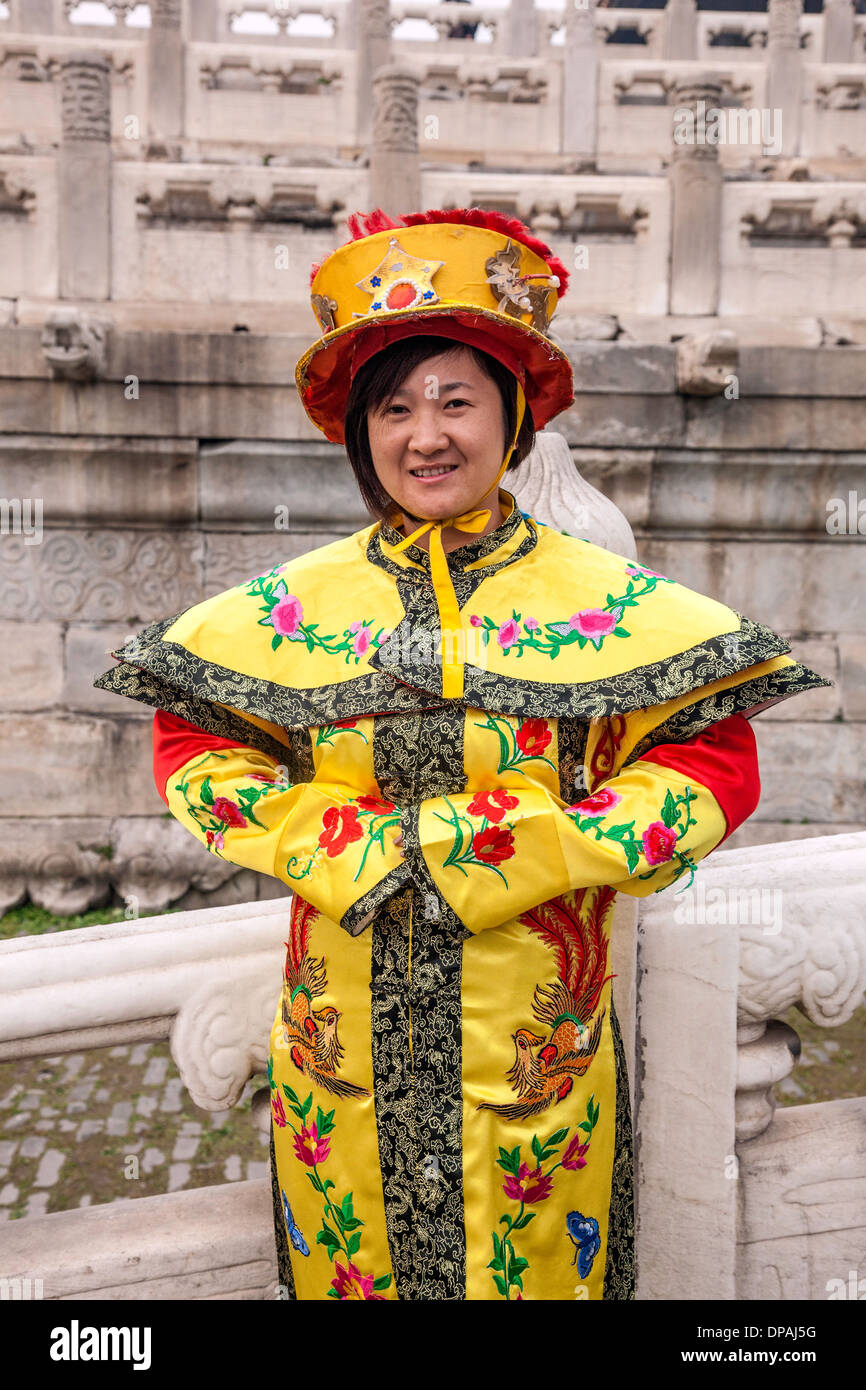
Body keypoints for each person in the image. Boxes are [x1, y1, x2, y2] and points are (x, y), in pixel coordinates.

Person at [95, 206, 832, 1301]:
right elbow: (192, 741)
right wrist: (339, 843)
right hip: (336, 1048)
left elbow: (709, 761)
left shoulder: (599, 603)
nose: (423, 434)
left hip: (534, 1052)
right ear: (359, 433)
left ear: (513, 418)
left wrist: (524, 847)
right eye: (392, 407)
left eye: (455, 400)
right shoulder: (297, 606)